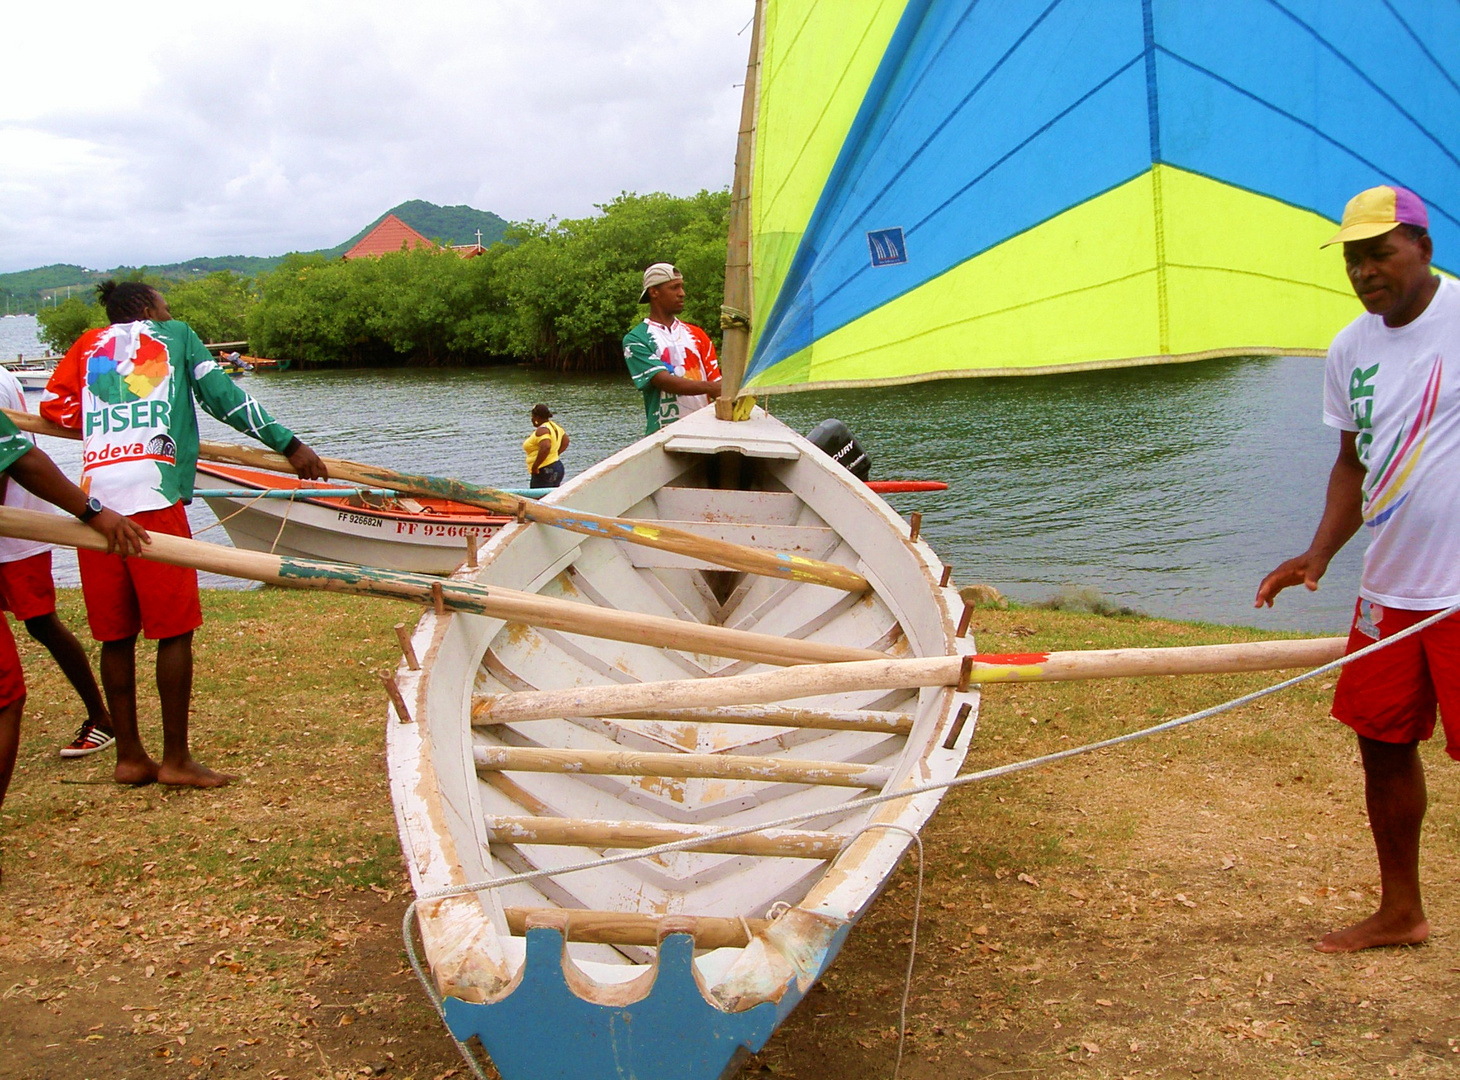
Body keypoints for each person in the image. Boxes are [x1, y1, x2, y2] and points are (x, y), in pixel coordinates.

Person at [1255, 184, 1457, 953]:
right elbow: (1351, 463)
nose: (1366, 272)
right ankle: (1401, 911)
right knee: (1382, 744)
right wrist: (1318, 553)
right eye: (1353, 259)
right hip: (1390, 587)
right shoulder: (1350, 347)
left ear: (1422, 248)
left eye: (1380, 253)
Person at [41, 281, 327, 789]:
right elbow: (223, 397)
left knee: (115, 634)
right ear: (151, 310)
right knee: (173, 630)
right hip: (152, 495)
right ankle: (176, 759)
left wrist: (106, 421)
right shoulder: (174, 335)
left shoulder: (87, 345)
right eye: (165, 306)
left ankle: (129, 756)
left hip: (95, 502)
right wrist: (291, 445)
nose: (169, 313)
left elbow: (55, 409)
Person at [0, 411, 146, 881]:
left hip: (17, 538)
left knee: (40, 624)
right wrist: (95, 511)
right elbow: (21, 458)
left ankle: (100, 717)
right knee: (4, 697)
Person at [0, 367, 116, 758]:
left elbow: (11, 459)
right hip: (14, 524)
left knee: (40, 621)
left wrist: (90, 511)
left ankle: (100, 717)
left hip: (16, 527)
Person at [622, 263, 721, 434]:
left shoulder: (697, 335)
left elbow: (716, 382)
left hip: (706, 432)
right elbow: (663, 381)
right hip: (664, 434)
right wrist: (712, 388)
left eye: (682, 287)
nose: (682, 293)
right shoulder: (636, 339)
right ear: (654, 292)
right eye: (674, 288)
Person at [523, 404, 568, 488]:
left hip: (544, 470)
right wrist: (554, 454)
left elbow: (546, 447)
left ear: (536, 417)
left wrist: (535, 466)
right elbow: (565, 441)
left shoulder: (542, 430)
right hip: (557, 466)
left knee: (538, 498)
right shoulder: (554, 426)